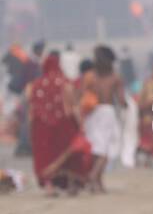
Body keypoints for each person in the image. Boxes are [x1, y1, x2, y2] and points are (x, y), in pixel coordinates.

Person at [26, 51, 90, 194]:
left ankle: (49, 185)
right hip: (63, 125)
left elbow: (31, 110)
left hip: (41, 126)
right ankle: (70, 184)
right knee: (68, 154)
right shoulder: (65, 83)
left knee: (45, 155)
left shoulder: (34, 86)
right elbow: (72, 107)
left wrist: (31, 129)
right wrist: (81, 125)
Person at [79, 45, 126, 192]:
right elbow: (121, 100)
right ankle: (94, 176)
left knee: (95, 149)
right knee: (106, 150)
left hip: (92, 113)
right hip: (107, 112)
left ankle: (98, 183)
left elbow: (81, 95)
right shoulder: (115, 77)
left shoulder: (89, 77)